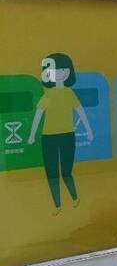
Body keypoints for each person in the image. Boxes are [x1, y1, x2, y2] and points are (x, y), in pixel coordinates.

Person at [27, 52, 93, 215]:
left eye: (62, 69)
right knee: (51, 174)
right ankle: (57, 205)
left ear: (68, 72)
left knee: (66, 172)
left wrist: (89, 130)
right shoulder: (47, 95)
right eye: (55, 70)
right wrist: (32, 135)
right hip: (48, 138)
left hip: (67, 136)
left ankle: (75, 198)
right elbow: (38, 115)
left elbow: (80, 111)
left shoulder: (69, 93)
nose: (59, 73)